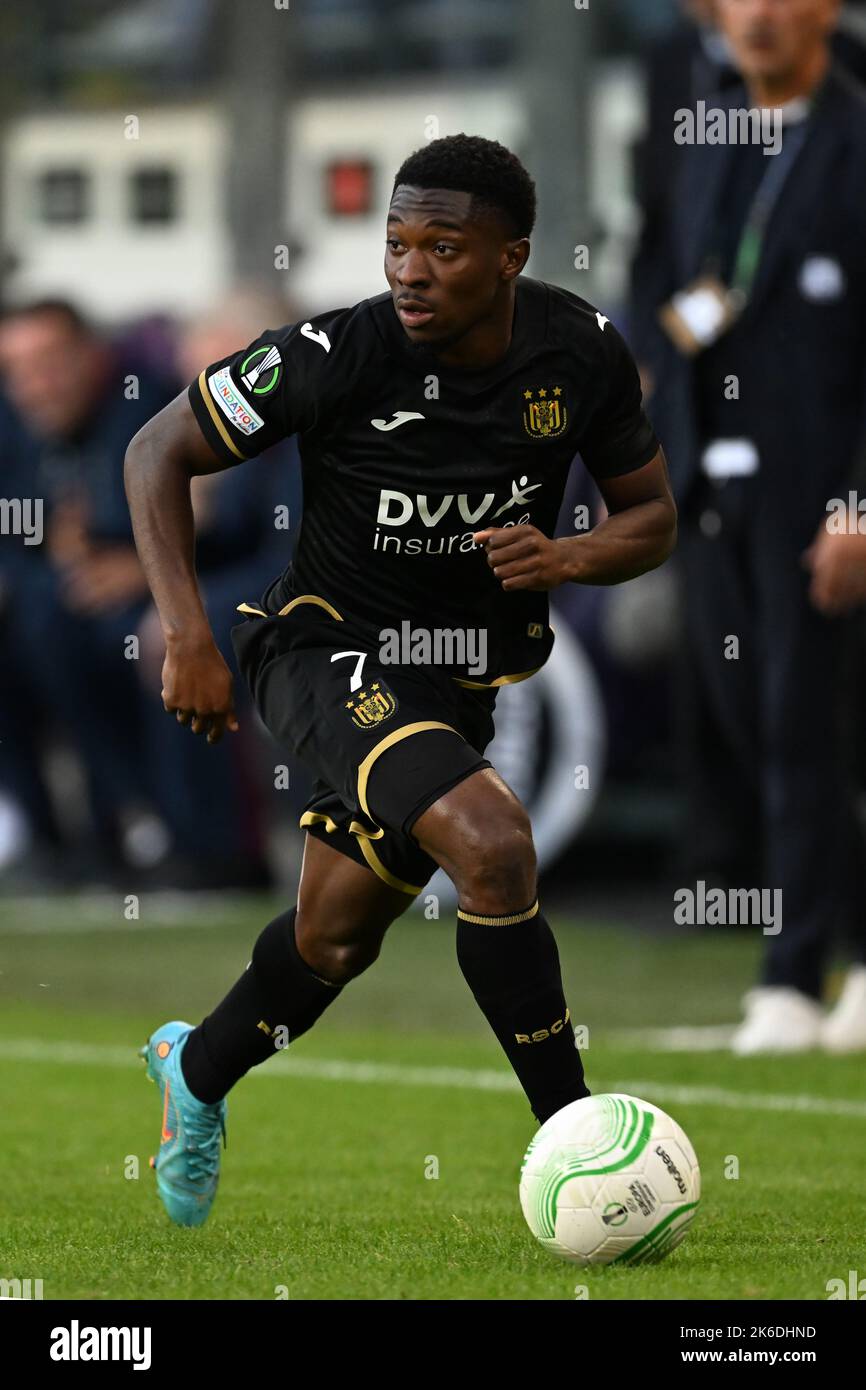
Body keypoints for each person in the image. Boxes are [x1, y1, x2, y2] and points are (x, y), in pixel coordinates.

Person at [125, 134, 677, 1227]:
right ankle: (581, 1148)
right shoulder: (336, 352)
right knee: (493, 843)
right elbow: (156, 451)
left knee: (332, 939)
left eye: (442, 247)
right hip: (320, 646)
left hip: (455, 680)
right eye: (394, 242)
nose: (409, 270)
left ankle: (194, 1071)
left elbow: (650, 514)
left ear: (510, 256)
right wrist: (185, 631)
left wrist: (565, 555)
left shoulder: (582, 354)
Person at [638, 0, 866, 1052]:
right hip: (707, 487)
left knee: (806, 729)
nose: (761, 15)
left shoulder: (853, 136)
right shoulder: (701, 133)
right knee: (745, 721)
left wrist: (856, 503)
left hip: (819, 494)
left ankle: (792, 972)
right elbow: (671, 292)